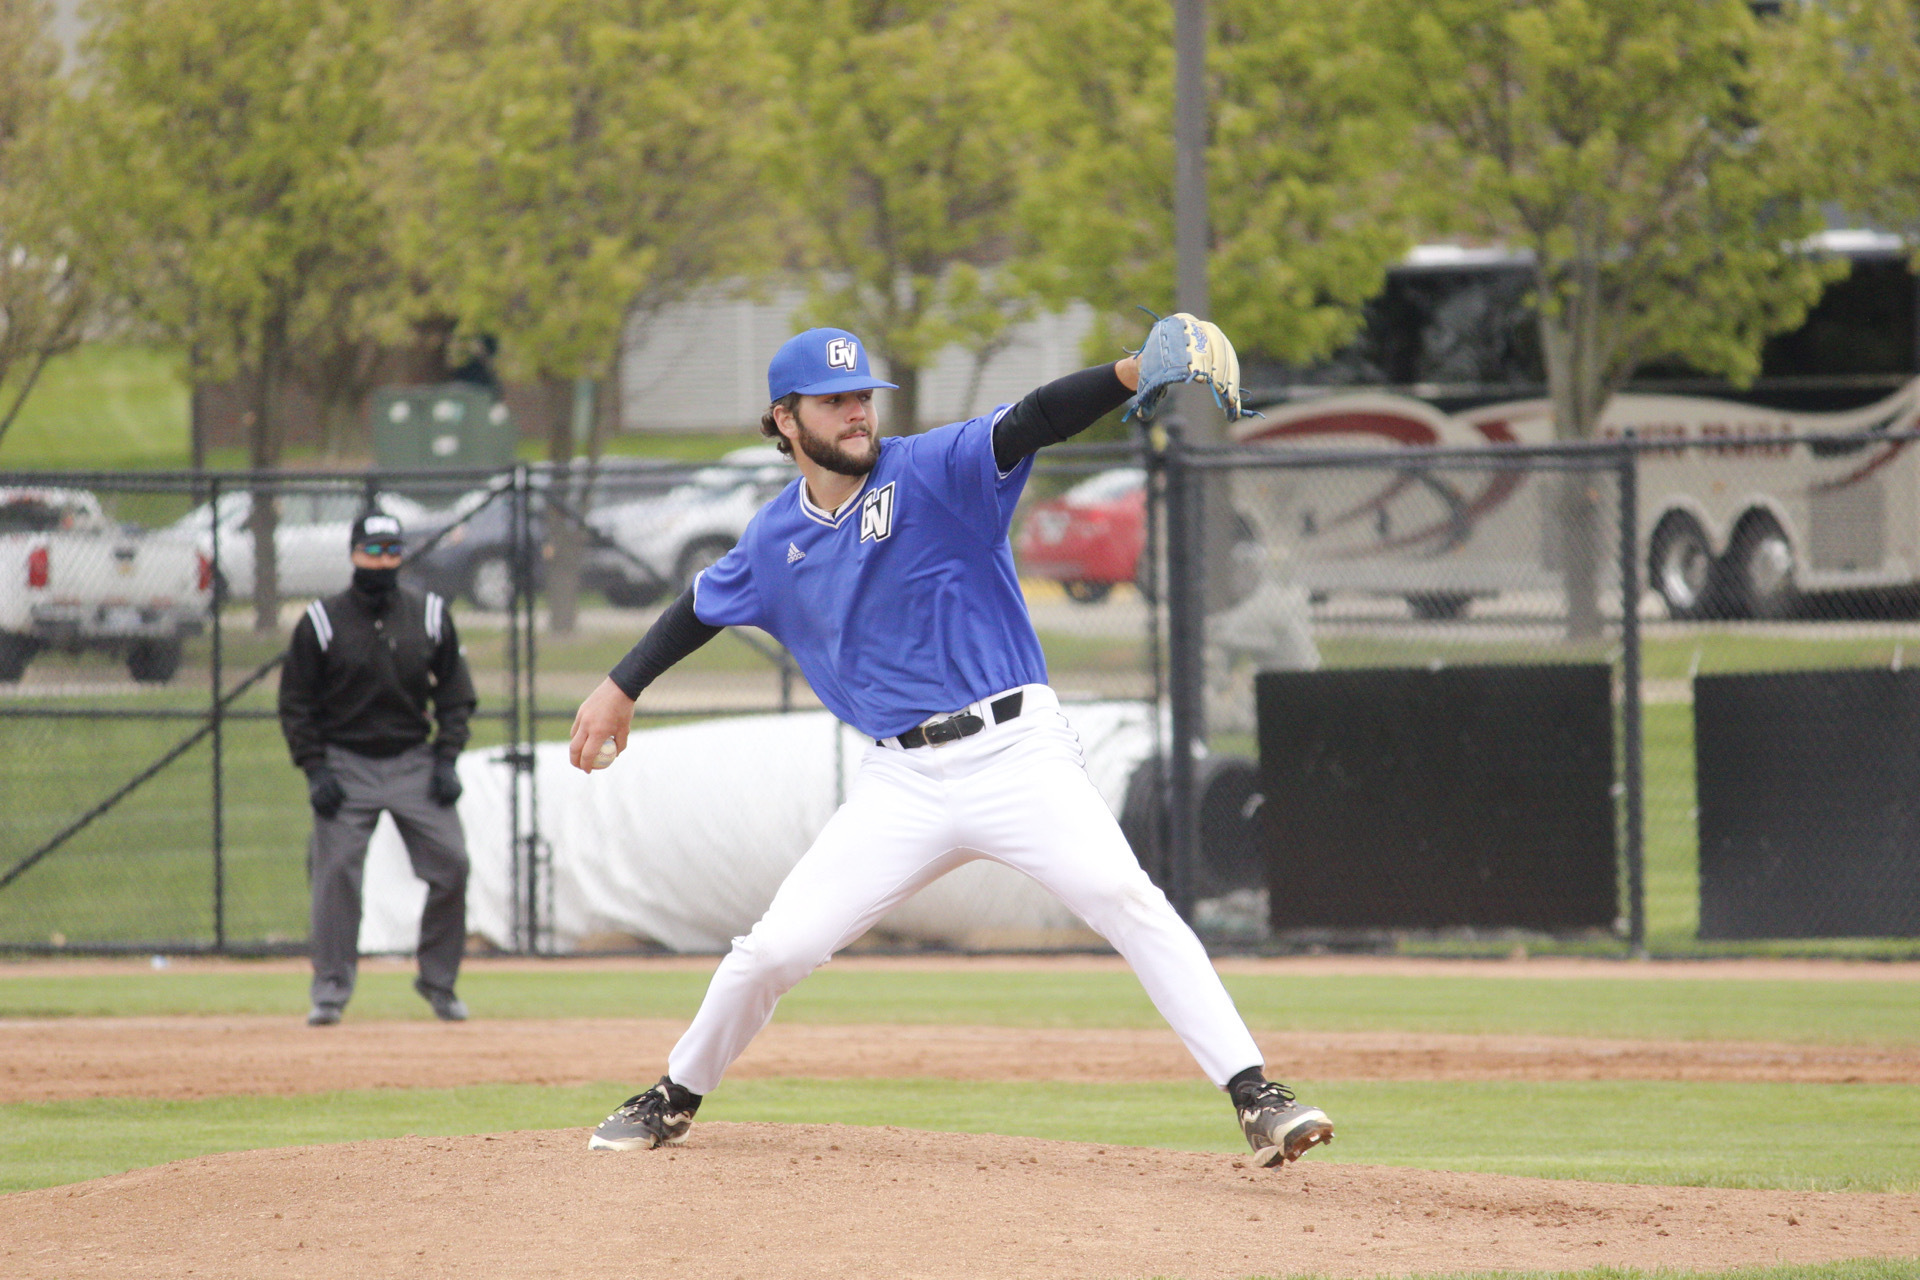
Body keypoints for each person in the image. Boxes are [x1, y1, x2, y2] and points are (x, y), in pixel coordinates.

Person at [568, 327, 1333, 1169]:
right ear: (785, 420)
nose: (857, 412)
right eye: (834, 402)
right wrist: (620, 686)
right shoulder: (772, 539)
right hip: (902, 780)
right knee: (774, 951)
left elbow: (1032, 420)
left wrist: (1127, 373)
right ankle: (673, 1096)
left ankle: (1255, 1093)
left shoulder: (934, 468)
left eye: (863, 396)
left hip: (1017, 751)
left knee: (1127, 897)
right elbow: (696, 609)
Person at [278, 511, 478, 1027]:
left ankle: (439, 983)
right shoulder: (321, 622)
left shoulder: (431, 614)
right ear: (353, 553)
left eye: (393, 550)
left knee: (451, 862)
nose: (384, 560)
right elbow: (296, 703)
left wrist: (446, 758)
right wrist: (316, 769)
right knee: (335, 875)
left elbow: (456, 695)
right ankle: (330, 991)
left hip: (414, 758)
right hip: (344, 763)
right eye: (374, 550)